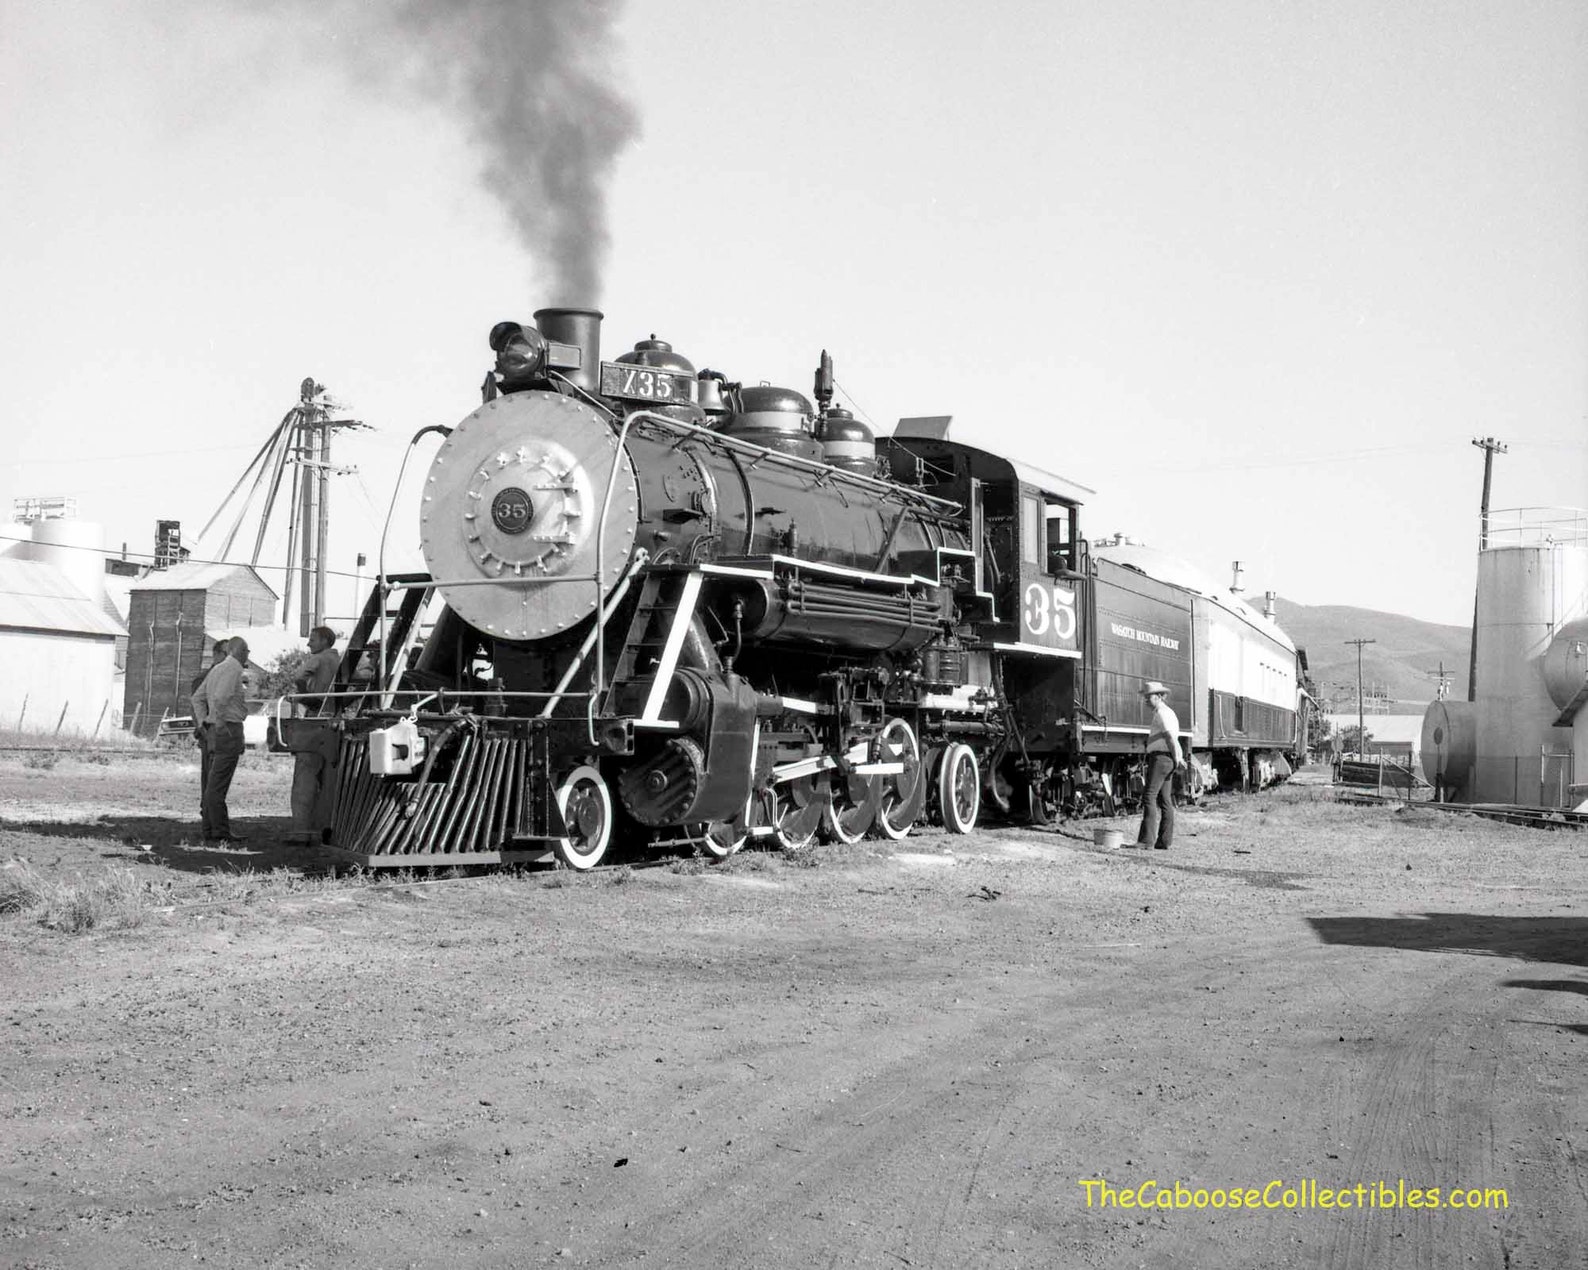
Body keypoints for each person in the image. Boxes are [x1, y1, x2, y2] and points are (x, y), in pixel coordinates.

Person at [191, 636, 251, 843]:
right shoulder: (234, 668)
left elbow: (197, 698)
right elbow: (220, 698)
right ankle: (219, 830)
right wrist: (221, 723)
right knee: (218, 784)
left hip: (213, 729)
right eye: (247, 652)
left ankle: (209, 827)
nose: (247, 656)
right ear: (240, 651)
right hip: (227, 727)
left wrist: (204, 724)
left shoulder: (216, 669)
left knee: (211, 781)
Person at [288, 627, 340, 843]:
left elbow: (298, 676)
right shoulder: (339, 660)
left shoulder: (319, 659)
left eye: (312, 639)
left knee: (305, 777)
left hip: (315, 721)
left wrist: (304, 695)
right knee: (329, 782)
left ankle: (301, 832)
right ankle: (324, 829)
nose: (308, 644)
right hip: (335, 720)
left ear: (325, 641)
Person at [1134, 681, 1184, 851]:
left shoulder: (1162, 714)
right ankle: (1164, 841)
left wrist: (1177, 758)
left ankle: (1146, 840)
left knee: (1149, 796)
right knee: (1165, 799)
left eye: (1148, 697)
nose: (1146, 700)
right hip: (1166, 759)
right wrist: (1177, 758)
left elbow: (1170, 738)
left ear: (1159, 697)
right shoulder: (1168, 713)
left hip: (1161, 759)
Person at [190, 642, 231, 838]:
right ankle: (213, 829)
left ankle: (212, 828)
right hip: (211, 736)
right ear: (217, 654)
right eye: (227, 654)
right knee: (212, 784)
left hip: (221, 735)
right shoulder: (206, 677)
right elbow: (196, 706)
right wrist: (205, 731)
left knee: (213, 784)